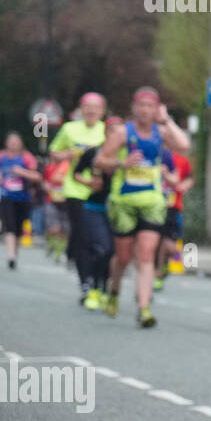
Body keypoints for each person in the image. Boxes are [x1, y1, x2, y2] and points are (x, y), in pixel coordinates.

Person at [96, 89, 192, 326]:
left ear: (156, 109)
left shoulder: (160, 132)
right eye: (141, 105)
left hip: (152, 202)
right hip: (124, 203)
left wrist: (167, 119)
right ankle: (114, 290)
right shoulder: (121, 133)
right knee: (123, 257)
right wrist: (122, 162)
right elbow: (100, 161)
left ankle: (144, 308)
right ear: (134, 108)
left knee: (146, 255)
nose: (145, 110)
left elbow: (184, 145)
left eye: (151, 106)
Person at [49, 92, 110, 299]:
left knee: (101, 242)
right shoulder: (69, 129)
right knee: (83, 237)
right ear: (80, 110)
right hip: (75, 189)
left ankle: (100, 279)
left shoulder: (108, 131)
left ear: (103, 111)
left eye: (96, 107)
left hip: (101, 193)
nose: (91, 111)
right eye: (87, 107)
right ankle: (85, 281)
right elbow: (54, 153)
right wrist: (67, 154)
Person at [71, 116, 124, 309]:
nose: (115, 135)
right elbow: (76, 173)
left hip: (119, 209)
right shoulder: (93, 153)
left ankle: (104, 288)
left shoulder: (127, 155)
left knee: (114, 253)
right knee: (102, 248)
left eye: (119, 131)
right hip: (95, 207)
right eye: (111, 131)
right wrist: (88, 182)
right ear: (105, 132)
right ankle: (92, 287)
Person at [0, 132, 43, 270]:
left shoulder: (26, 157)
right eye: (11, 141)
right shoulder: (0, 156)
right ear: (6, 143)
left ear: (21, 143)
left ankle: (14, 254)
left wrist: (22, 172)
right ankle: (10, 256)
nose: (13, 144)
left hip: (23, 197)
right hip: (6, 196)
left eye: (16, 142)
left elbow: (37, 176)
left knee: (18, 228)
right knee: (9, 225)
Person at [155, 146, 194, 290]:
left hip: (173, 207)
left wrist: (185, 185)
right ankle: (156, 274)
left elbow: (189, 178)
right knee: (155, 243)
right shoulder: (152, 156)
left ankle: (163, 268)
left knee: (171, 248)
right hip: (154, 207)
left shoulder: (181, 160)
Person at [42, 154, 71, 263]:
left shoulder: (69, 166)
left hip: (66, 201)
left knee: (64, 230)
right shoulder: (50, 167)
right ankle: (51, 244)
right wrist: (46, 186)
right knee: (54, 228)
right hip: (52, 200)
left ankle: (59, 253)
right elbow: (46, 180)